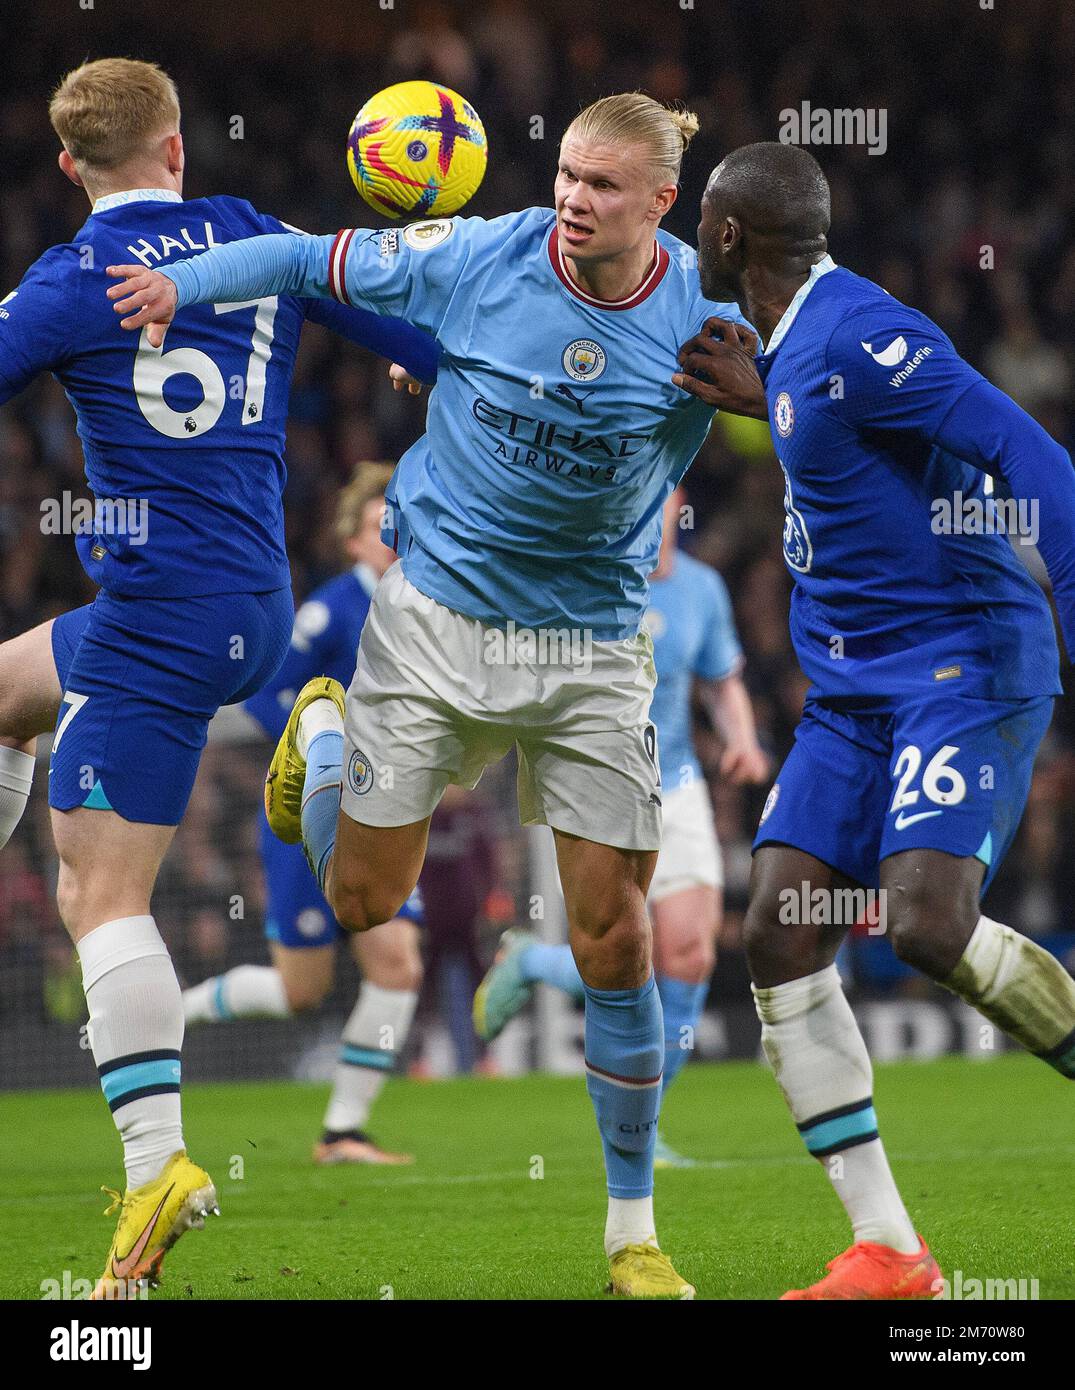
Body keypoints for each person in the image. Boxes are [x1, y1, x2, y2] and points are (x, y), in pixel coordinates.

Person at [108, 92, 766, 1298]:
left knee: (614, 940)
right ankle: (324, 725)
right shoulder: (475, 254)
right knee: (364, 908)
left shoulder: (709, 315)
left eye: (603, 186)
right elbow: (303, 257)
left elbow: (822, 427)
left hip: (590, 645)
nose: (572, 198)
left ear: (663, 204)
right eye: (566, 173)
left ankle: (632, 1236)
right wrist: (180, 289)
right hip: (437, 626)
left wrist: (765, 403)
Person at [0, 58, 437, 1298]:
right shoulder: (259, 234)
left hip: (159, 615)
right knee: (7, 694)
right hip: (247, 597)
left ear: (69, 167)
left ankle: (158, 1165)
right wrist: (417, 364)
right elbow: (396, 322)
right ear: (180, 148)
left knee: (98, 896)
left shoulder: (69, 278)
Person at [676, 140, 1075, 1299]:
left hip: (961, 664)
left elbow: (1032, 454)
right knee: (779, 928)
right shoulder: (796, 348)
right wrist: (769, 403)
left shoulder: (863, 332)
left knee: (921, 923)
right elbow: (848, 448)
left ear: (729, 235)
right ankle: (892, 1254)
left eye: (702, 221)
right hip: (853, 699)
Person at [472, 484, 768, 1166]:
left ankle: (645, 1127)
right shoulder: (590, 574)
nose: (653, 518)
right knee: (628, 951)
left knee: (688, 955)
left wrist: (743, 739)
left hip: (681, 783)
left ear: (678, 510)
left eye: (664, 506)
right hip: (599, 783)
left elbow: (719, 679)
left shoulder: (701, 588)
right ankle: (536, 962)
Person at [182, 463, 424, 1165]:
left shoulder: (424, 605)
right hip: (310, 811)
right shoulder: (325, 612)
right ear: (350, 540)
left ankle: (342, 1131)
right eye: (378, 525)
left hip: (387, 810)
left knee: (397, 965)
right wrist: (329, 737)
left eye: (399, 524)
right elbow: (265, 698)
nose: (391, 537)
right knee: (300, 989)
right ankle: (179, 1008)